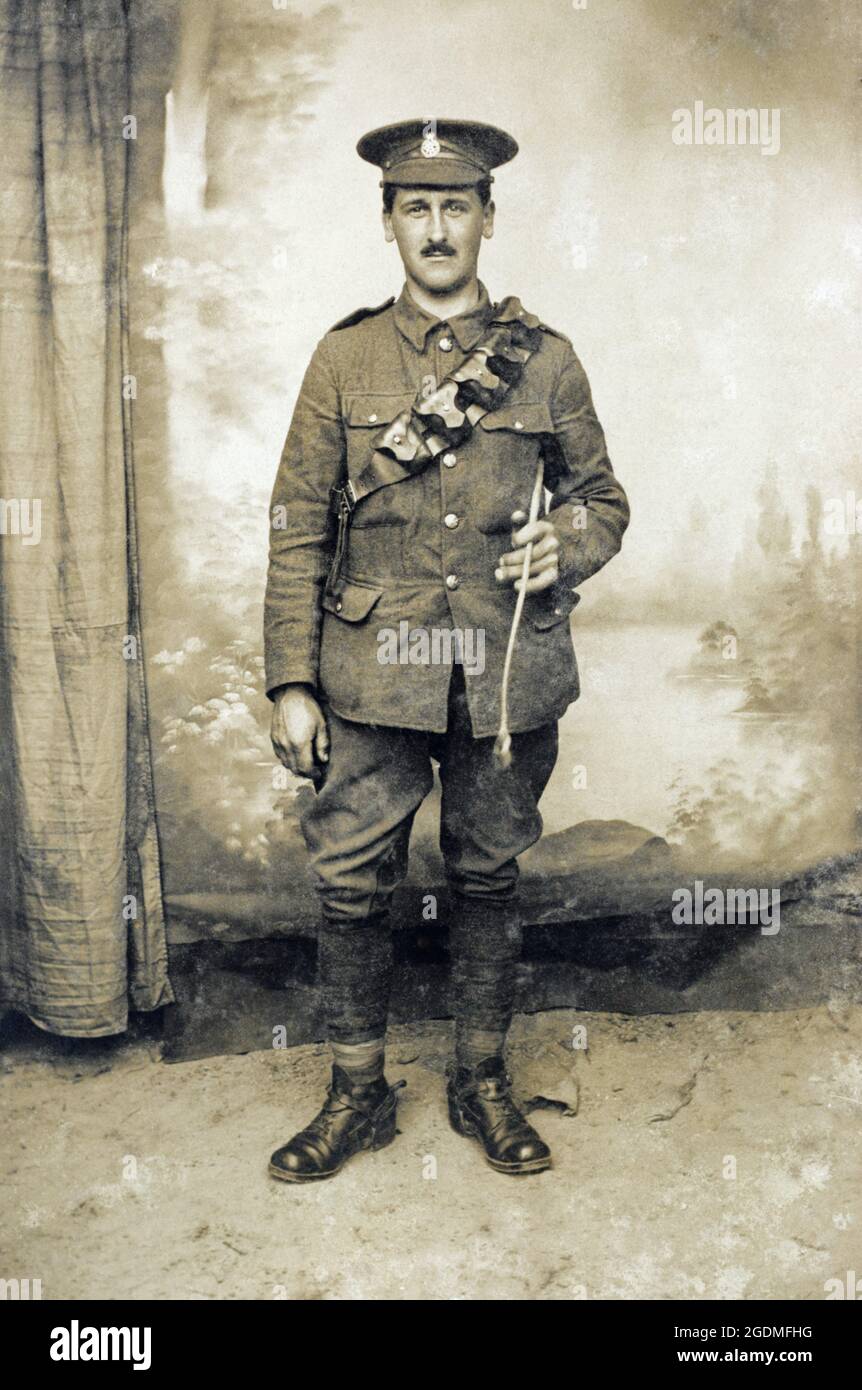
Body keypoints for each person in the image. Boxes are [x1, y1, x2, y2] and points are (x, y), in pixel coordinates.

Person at [263, 118, 630, 1182]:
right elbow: (296, 523)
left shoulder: (545, 361)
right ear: (387, 224)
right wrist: (292, 679)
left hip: (505, 668)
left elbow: (602, 496)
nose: (435, 228)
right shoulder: (341, 359)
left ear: (486, 221)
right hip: (371, 672)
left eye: (454, 207)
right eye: (414, 208)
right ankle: (356, 1093)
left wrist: (566, 543)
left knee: (488, 876)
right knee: (348, 884)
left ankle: (480, 1083)